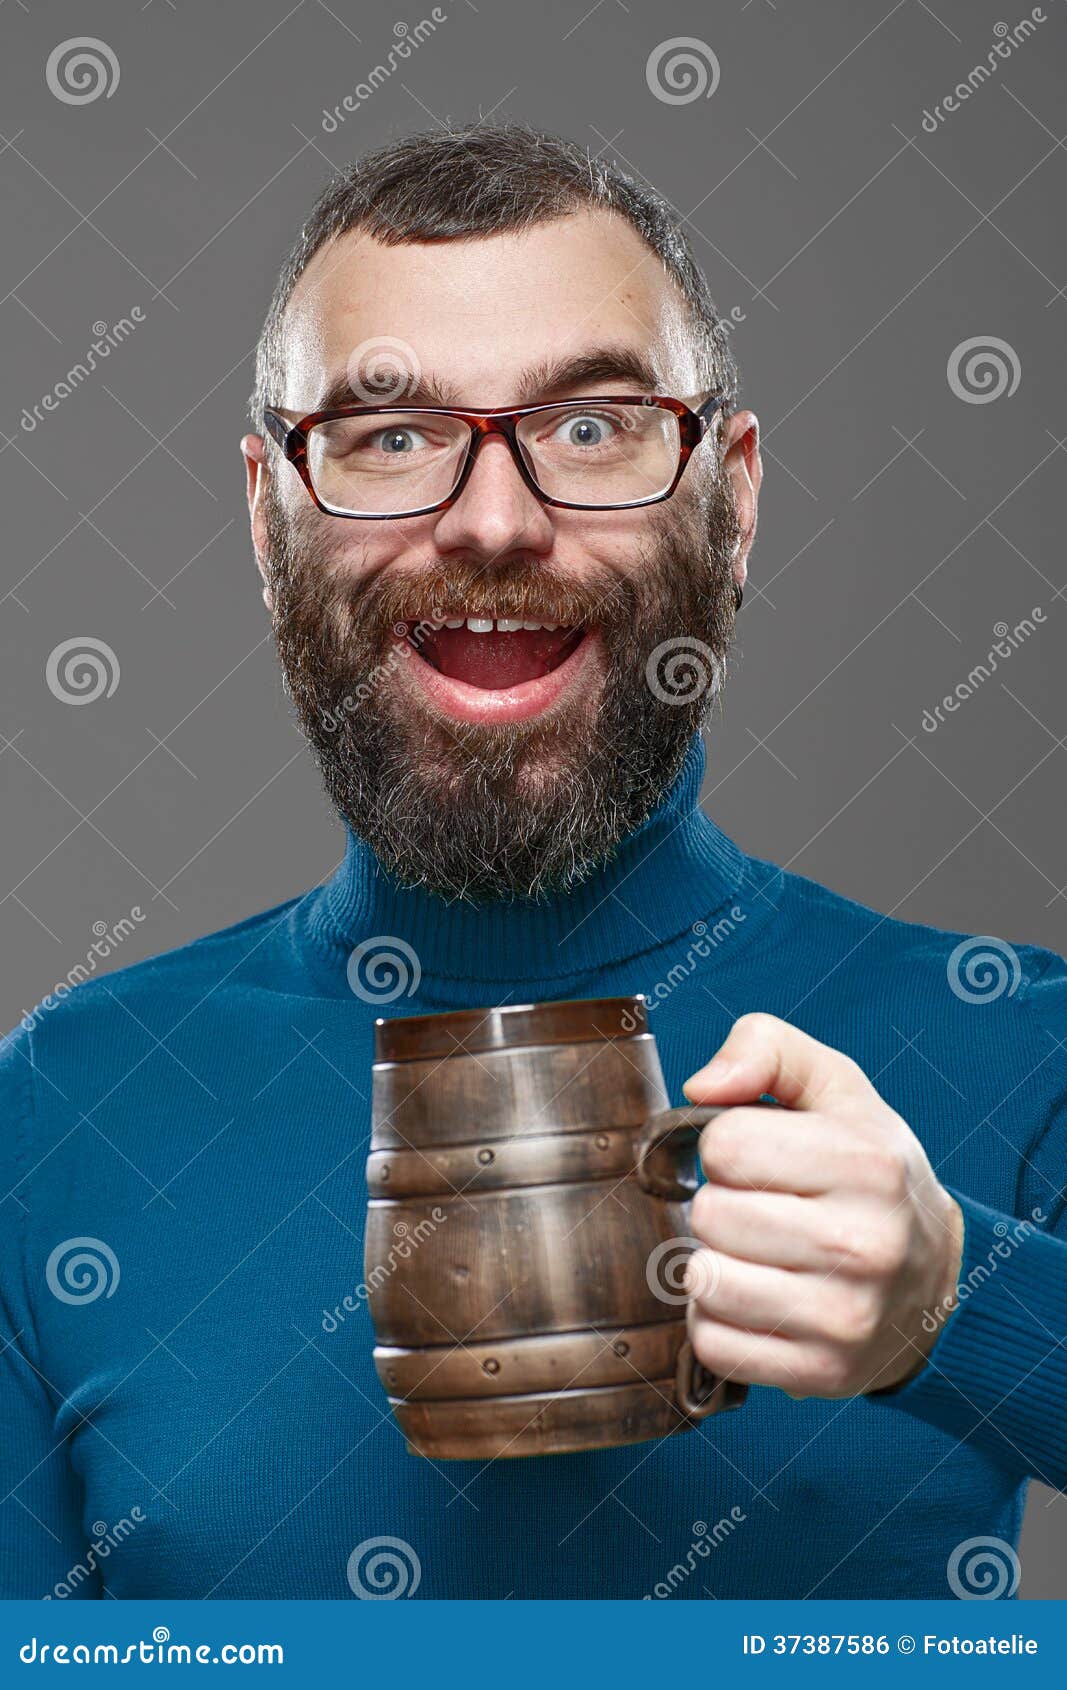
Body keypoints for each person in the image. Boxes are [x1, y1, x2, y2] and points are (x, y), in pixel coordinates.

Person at [1, 123, 1063, 1602]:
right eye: (388, 437)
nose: (493, 519)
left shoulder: (1015, 1033)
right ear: (266, 516)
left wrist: (966, 1304)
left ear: (734, 495)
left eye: (589, 427)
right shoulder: (59, 1107)